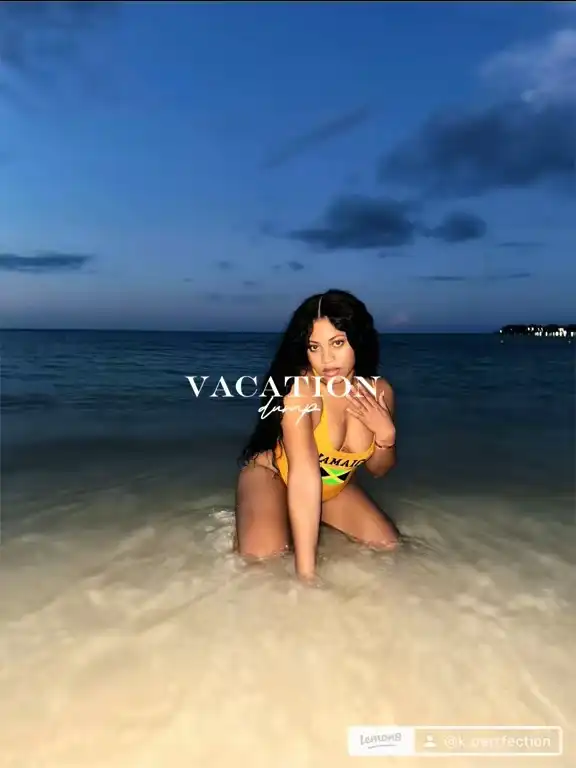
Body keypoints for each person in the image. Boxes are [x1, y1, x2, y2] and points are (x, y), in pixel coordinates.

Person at [234, 288, 399, 582]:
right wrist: (306, 576)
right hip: (275, 477)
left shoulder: (380, 392)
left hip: (331, 489)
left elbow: (378, 470)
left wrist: (386, 435)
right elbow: (303, 476)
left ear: (358, 340)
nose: (326, 359)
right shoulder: (302, 392)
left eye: (338, 343)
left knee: (390, 548)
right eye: (314, 347)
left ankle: (296, 524)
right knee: (264, 564)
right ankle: (255, 518)